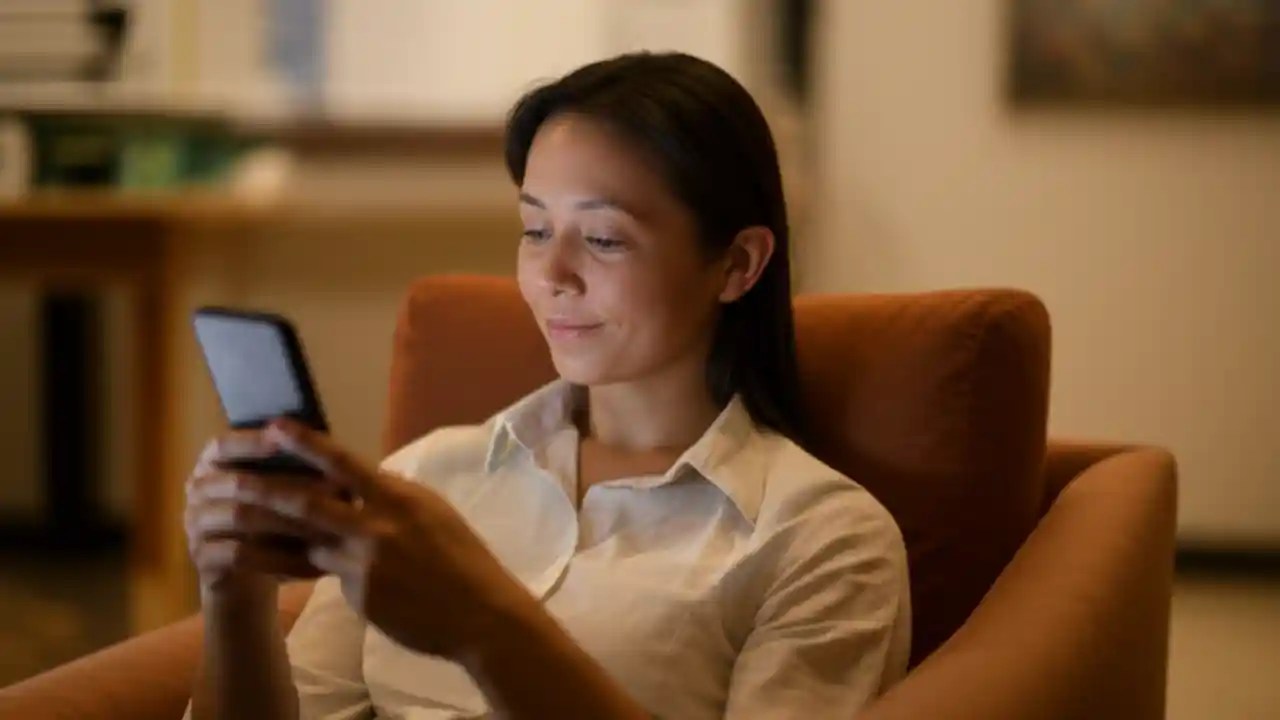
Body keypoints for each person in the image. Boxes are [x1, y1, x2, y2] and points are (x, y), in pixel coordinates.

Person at [183, 51, 910, 720]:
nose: (552, 275)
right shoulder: (427, 480)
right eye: (535, 231)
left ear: (738, 264)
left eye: (603, 239)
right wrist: (235, 595)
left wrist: (482, 623)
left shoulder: (821, 540)